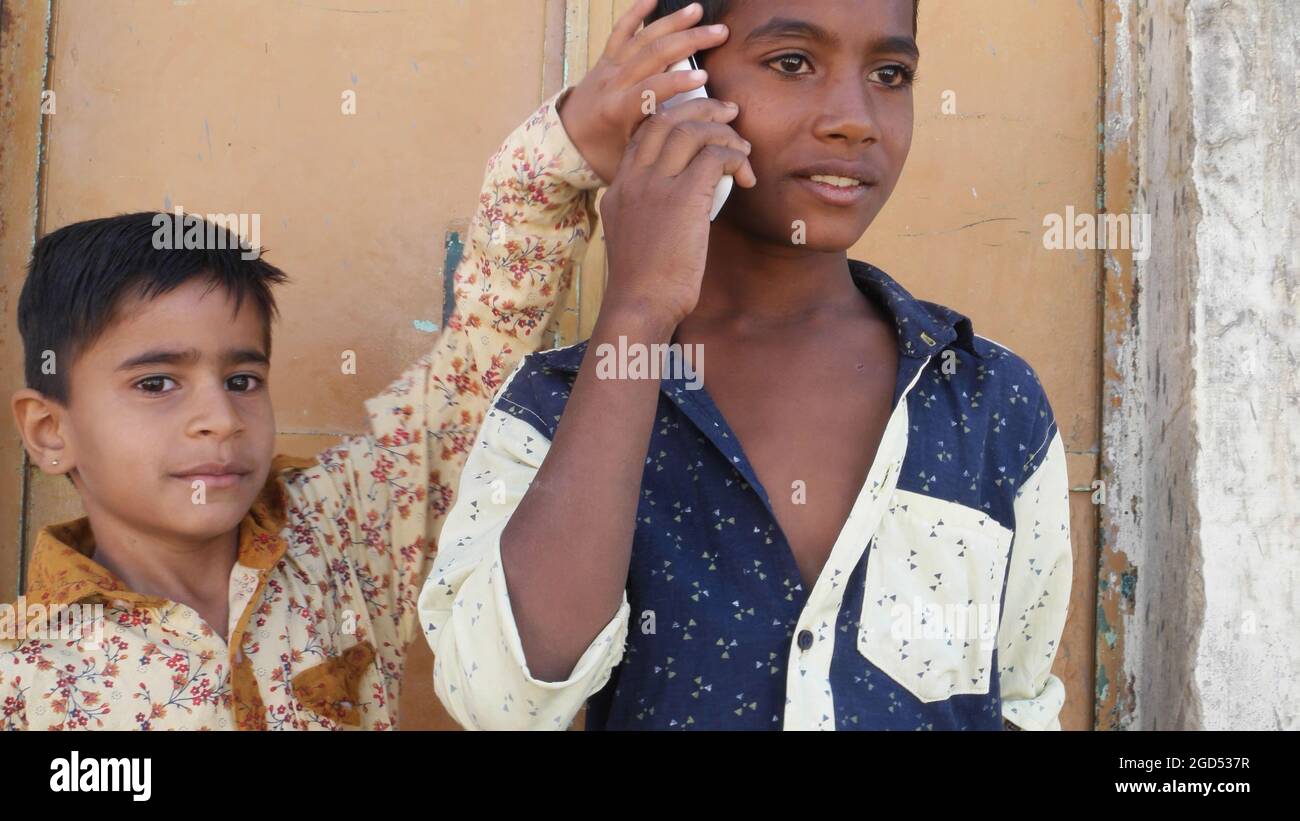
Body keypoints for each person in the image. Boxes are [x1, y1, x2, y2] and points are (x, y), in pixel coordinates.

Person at [0, 0, 726, 730]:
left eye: (242, 379)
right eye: (157, 383)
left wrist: (569, 145)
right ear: (49, 428)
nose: (218, 418)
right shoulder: (23, 677)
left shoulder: (339, 533)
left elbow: (476, 360)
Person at [420, 0, 1073, 731]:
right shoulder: (557, 404)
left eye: (890, 73)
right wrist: (637, 309)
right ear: (680, 86)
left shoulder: (988, 401)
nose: (855, 117)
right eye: (792, 63)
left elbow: (1016, 702)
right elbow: (502, 700)